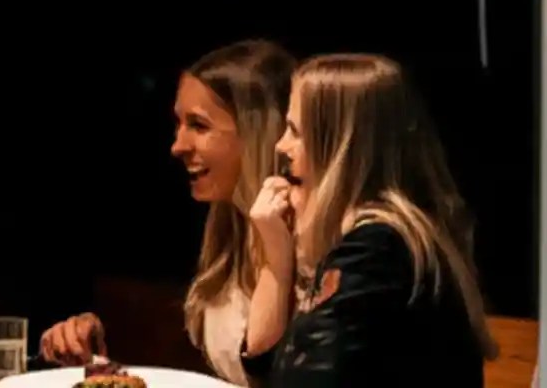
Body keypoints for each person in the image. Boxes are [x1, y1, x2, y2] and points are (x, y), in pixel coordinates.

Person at [41, 40, 298, 385]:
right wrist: (97, 354)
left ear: (255, 135)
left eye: (199, 125)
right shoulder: (226, 233)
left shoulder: (307, 243)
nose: (178, 146)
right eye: (179, 123)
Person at [243, 54, 497, 386]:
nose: (281, 146)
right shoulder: (391, 240)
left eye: (294, 131)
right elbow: (261, 364)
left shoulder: (378, 250)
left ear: (339, 148)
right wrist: (278, 259)